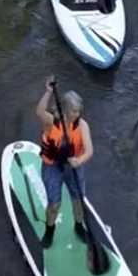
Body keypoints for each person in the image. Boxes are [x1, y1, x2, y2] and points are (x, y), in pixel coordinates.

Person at [35, 77, 94, 248]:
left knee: (78, 200)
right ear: (66, 109)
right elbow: (39, 112)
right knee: (55, 204)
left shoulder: (82, 126)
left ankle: (78, 226)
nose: (77, 114)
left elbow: (89, 150)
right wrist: (48, 92)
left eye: (79, 111)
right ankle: (49, 231)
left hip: (72, 166)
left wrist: (79, 160)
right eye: (74, 111)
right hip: (52, 166)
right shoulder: (51, 122)